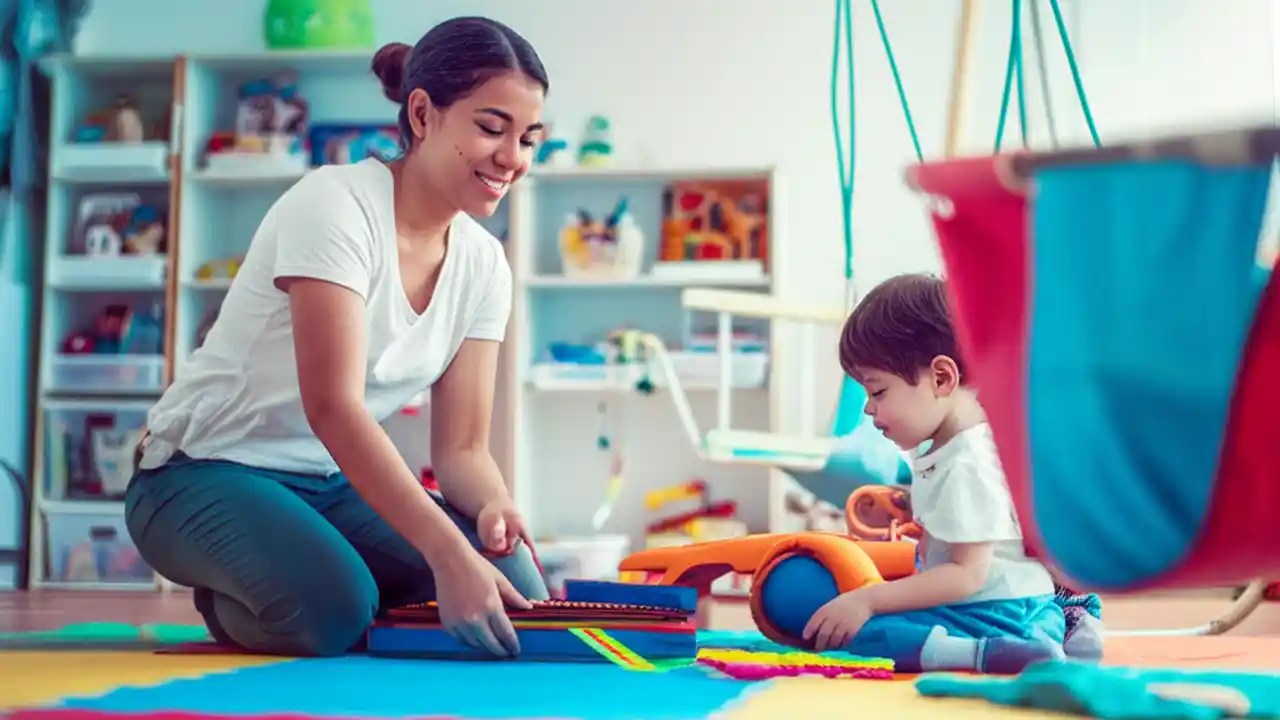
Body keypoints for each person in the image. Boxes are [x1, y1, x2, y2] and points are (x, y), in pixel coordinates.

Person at [124, 16, 552, 659]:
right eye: (492, 129)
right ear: (423, 113)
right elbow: (334, 408)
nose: (512, 158)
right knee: (333, 613)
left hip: (327, 482)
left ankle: (306, 571)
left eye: (528, 138)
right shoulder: (335, 205)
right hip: (198, 472)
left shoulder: (484, 264)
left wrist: (491, 505)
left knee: (514, 589)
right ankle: (240, 593)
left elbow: (463, 449)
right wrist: (442, 550)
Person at [756, 273, 1101, 673]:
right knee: (857, 623)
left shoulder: (966, 462)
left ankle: (988, 652)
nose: (868, 409)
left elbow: (967, 575)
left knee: (862, 634)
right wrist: (907, 507)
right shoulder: (960, 444)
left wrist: (869, 599)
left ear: (941, 378)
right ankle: (1062, 625)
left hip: (993, 610)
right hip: (1011, 602)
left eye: (878, 392)